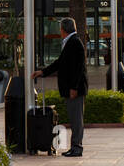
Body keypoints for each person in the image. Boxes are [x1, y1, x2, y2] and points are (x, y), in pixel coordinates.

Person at [33, 17, 87, 157]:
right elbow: (60, 63)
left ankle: (77, 147)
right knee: (74, 117)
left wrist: (74, 88)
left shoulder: (74, 42)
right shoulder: (70, 42)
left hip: (74, 89)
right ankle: (74, 146)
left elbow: (78, 68)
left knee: (76, 119)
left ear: (63, 29)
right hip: (70, 88)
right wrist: (43, 72)